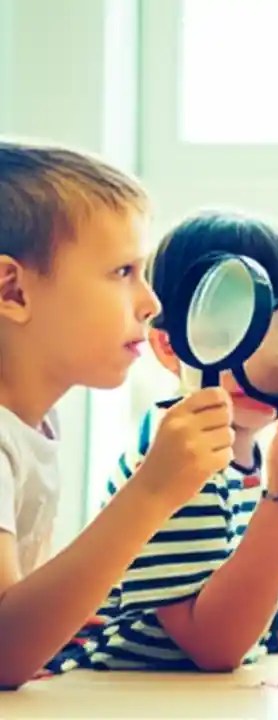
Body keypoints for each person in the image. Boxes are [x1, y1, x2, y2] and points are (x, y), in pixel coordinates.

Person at [48, 211, 278, 674]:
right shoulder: (179, 454)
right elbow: (214, 645)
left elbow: (249, 613)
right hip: (111, 691)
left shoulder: (242, 454)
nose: (260, 359)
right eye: (228, 334)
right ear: (168, 346)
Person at [0, 140, 232, 687]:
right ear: (13, 289)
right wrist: (153, 491)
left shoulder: (34, 427)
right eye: (123, 271)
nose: (150, 301)